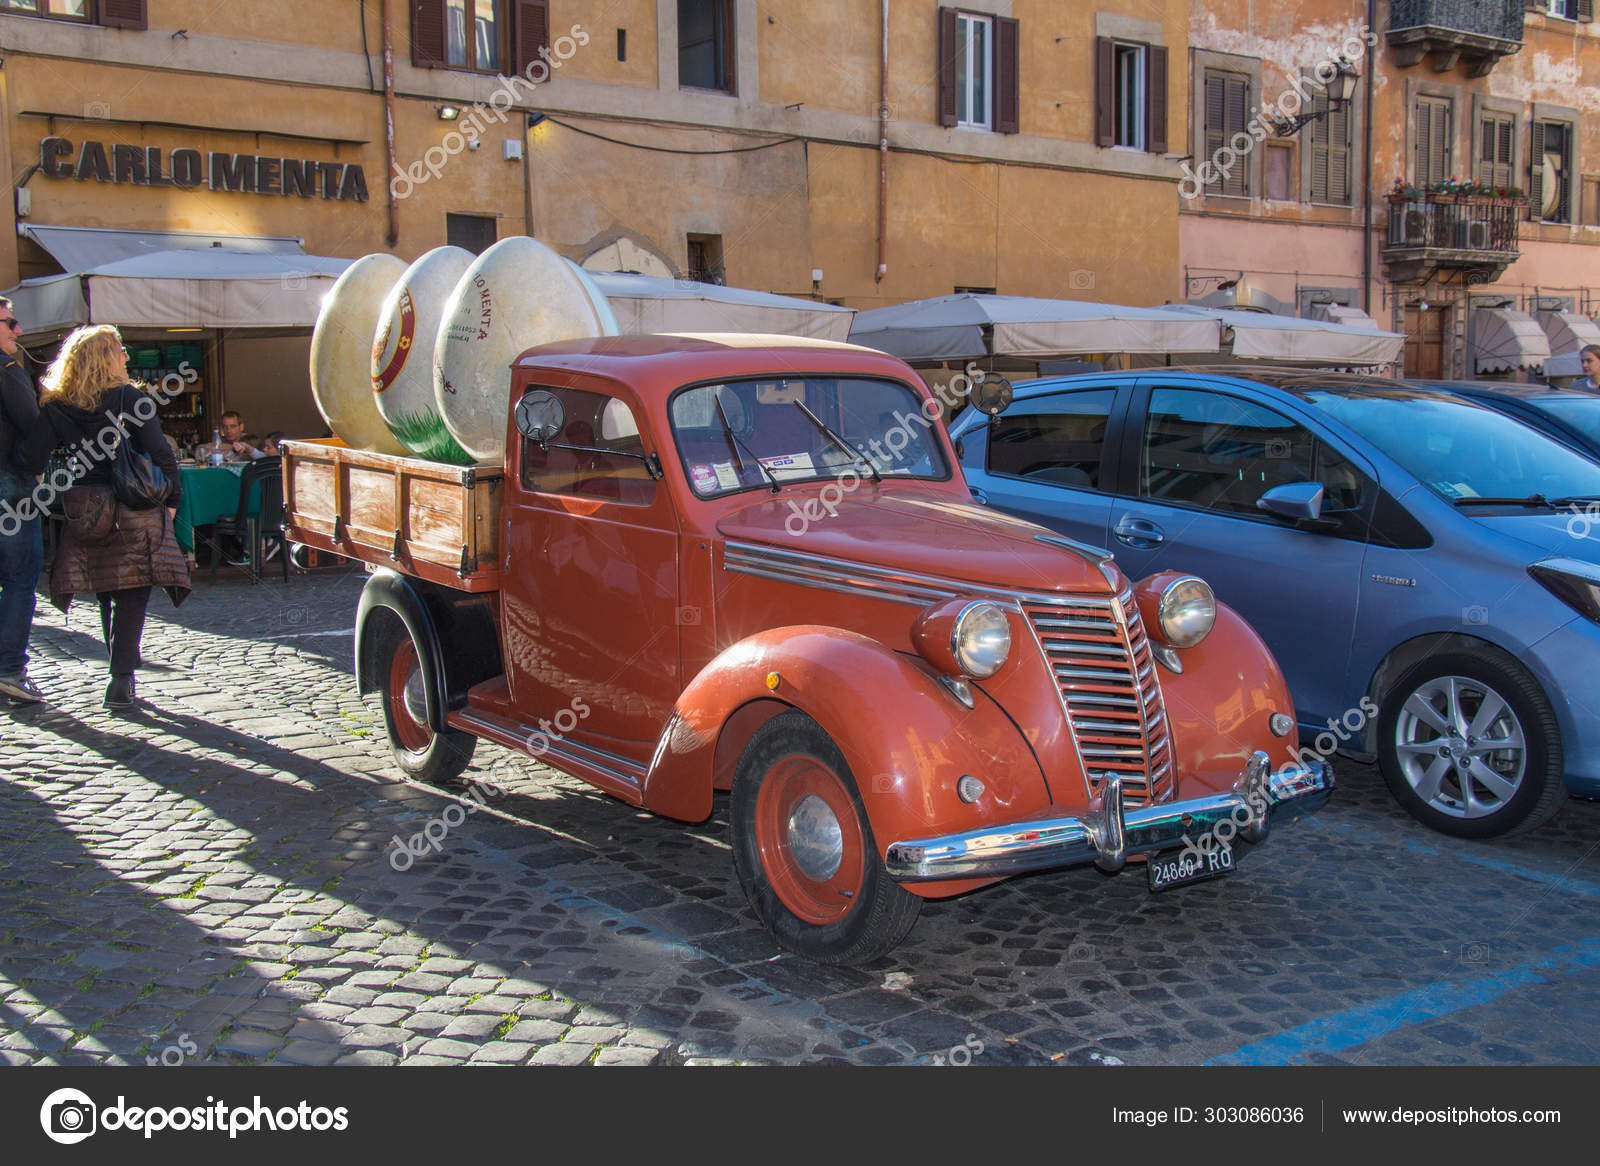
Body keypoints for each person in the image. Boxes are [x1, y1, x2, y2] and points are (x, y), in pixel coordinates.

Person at [11, 325, 190, 710]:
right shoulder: (129, 397)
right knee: (133, 588)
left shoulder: (58, 407)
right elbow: (160, 454)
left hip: (86, 505)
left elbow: (29, 458)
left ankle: (120, 669)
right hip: (133, 502)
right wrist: (172, 502)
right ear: (106, 358)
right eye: (121, 349)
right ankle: (121, 678)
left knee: (108, 586)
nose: (127, 356)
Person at [0, 297, 43, 703]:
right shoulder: (8, 370)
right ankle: (10, 669)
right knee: (18, 577)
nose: (18, 330)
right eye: (10, 322)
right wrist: (39, 467)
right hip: (10, 487)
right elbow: (34, 429)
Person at [196, 411, 267, 463]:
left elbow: (248, 456)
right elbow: (200, 449)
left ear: (241, 427)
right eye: (225, 427)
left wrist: (230, 447)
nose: (228, 430)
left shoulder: (251, 439)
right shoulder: (221, 440)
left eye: (233, 426)